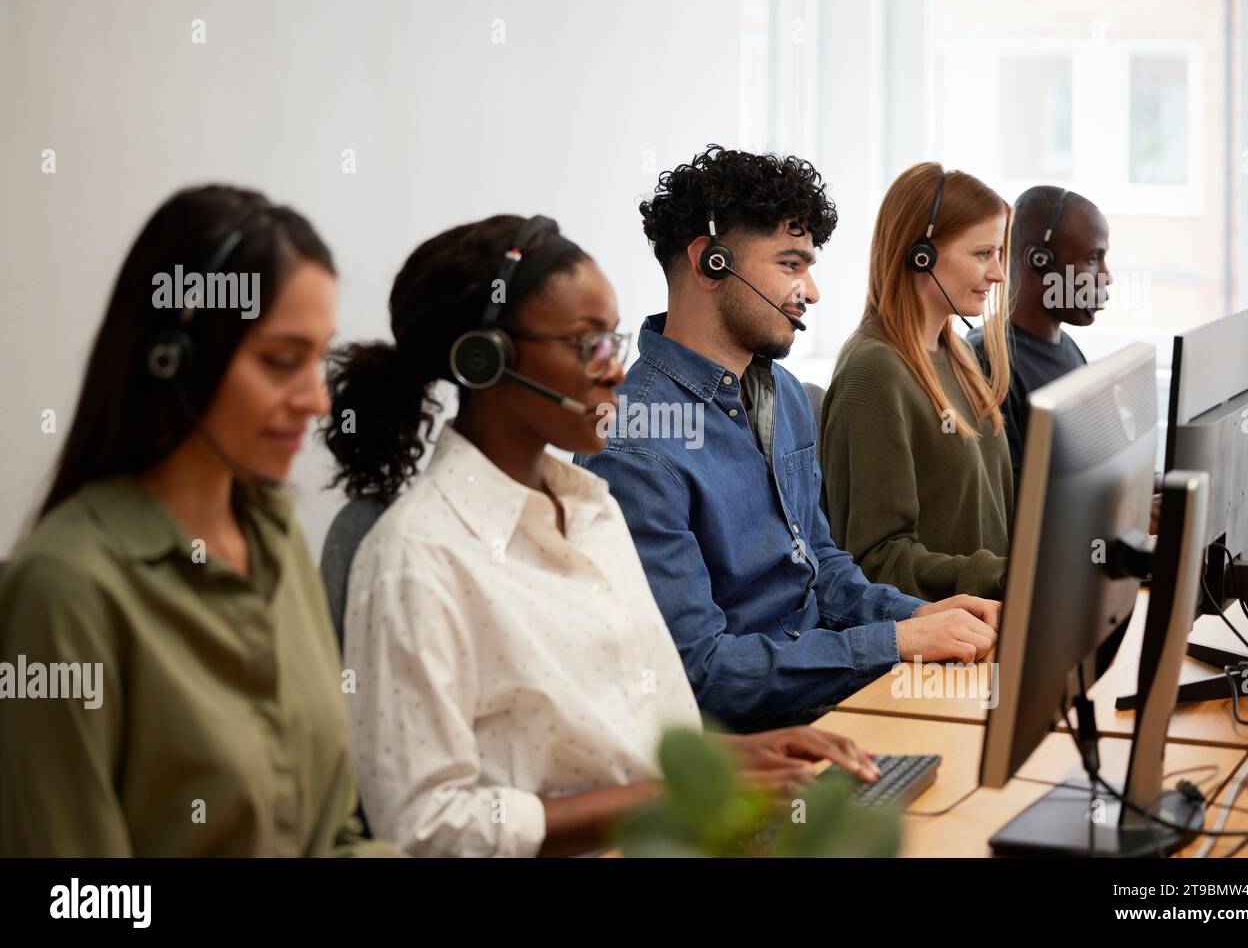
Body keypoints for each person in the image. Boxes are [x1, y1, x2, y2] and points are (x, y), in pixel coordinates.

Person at [326, 214, 881, 858]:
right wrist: (665, 799)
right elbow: (424, 827)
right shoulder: (416, 558)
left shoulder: (590, 507)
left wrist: (741, 755)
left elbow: (640, 732)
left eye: (611, 342)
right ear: (484, 361)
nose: (615, 372)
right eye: (585, 343)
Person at [0, 186, 399, 856]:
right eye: (281, 360)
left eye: (318, 358)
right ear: (171, 358)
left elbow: (331, 836)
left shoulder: (275, 539)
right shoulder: (67, 588)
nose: (317, 401)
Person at [576, 147, 999, 734]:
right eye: (791, 265)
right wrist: (894, 642)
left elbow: (821, 569)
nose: (812, 291)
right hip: (753, 751)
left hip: (831, 699)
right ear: (711, 263)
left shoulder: (783, 394)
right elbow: (700, 673)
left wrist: (928, 617)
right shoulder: (634, 446)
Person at [820, 163, 1014, 602]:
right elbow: (875, 561)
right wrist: (1002, 577)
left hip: (994, 626)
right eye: (983, 254)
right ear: (920, 256)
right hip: (933, 651)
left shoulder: (958, 354)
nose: (999, 273)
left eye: (999, 254)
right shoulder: (873, 372)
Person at [966, 185, 1110, 489]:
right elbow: (1010, 504)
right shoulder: (989, 362)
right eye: (1093, 259)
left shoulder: (1066, 347)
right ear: (1038, 261)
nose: (1106, 275)